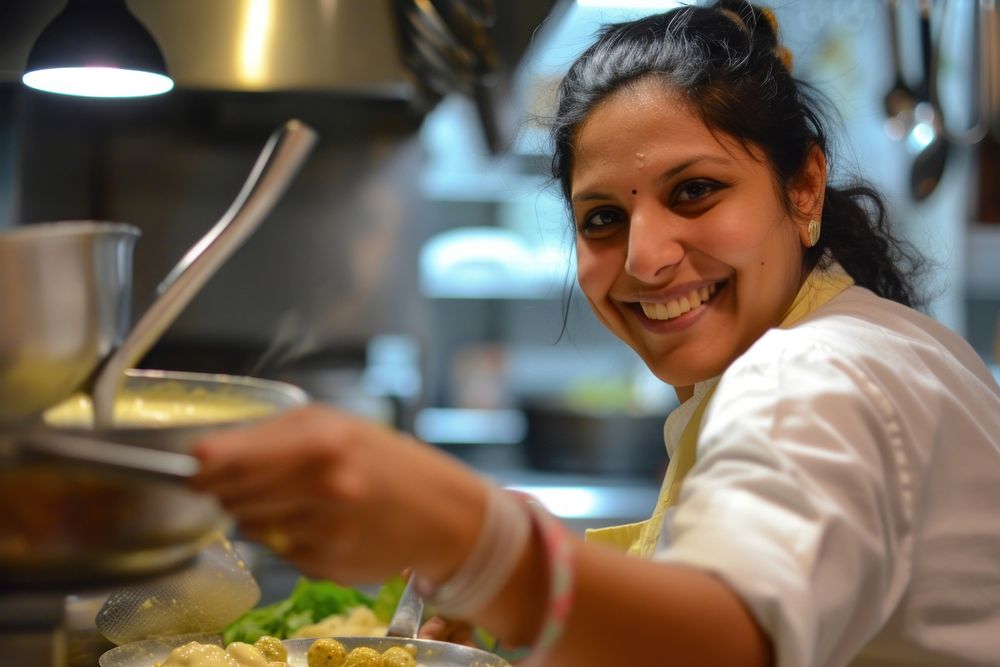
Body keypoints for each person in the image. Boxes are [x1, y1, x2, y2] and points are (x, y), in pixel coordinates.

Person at [190, 1, 1000, 665]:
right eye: (604, 218)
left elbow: (728, 638)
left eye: (695, 191)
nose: (645, 258)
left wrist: (474, 539)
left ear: (804, 188)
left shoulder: (813, 372)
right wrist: (533, 583)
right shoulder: (876, 342)